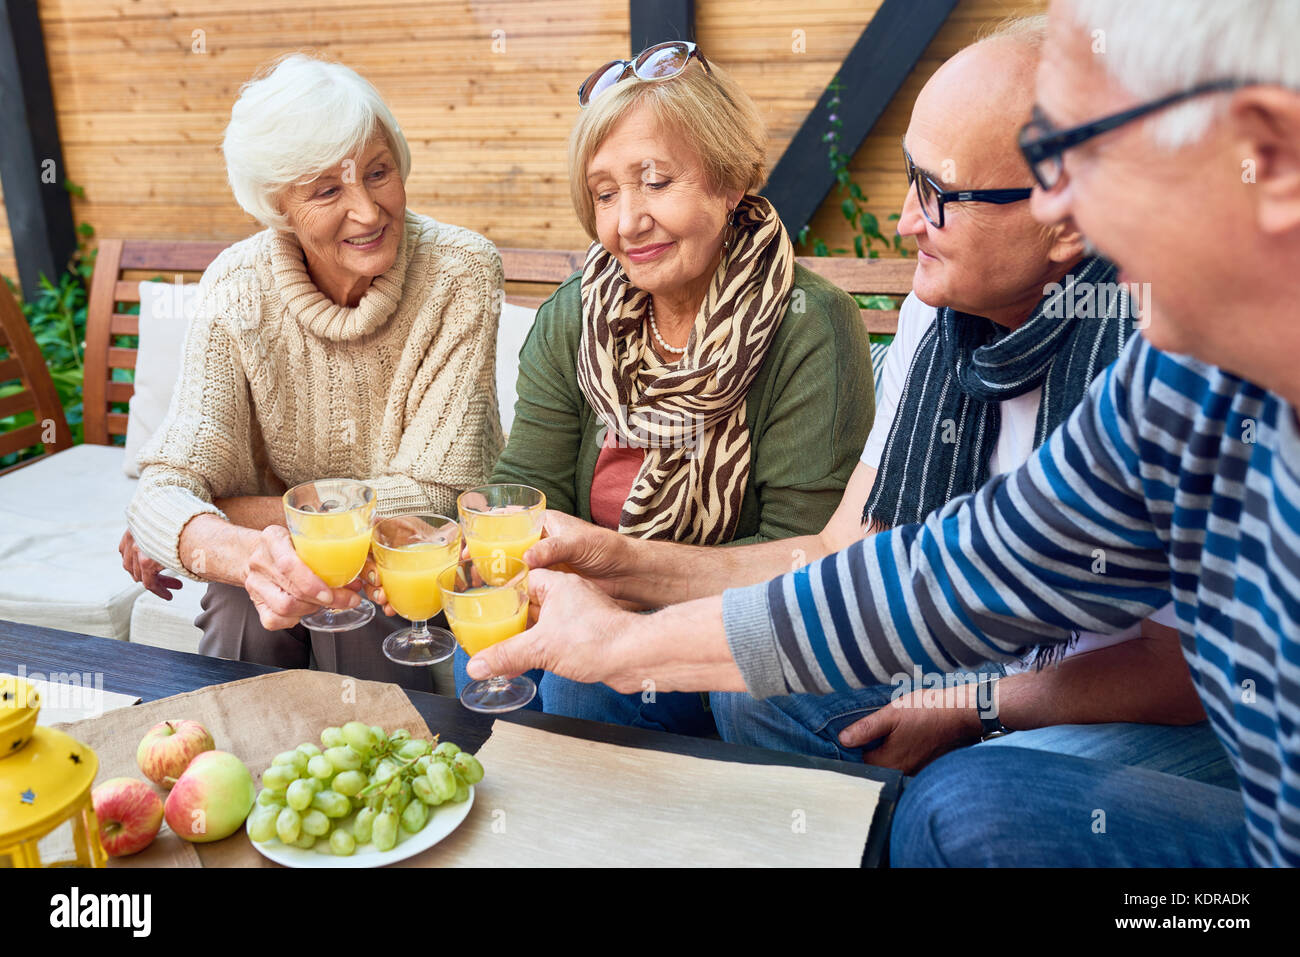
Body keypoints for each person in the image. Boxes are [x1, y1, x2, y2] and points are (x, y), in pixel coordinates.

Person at [466, 0, 1300, 867]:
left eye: (1098, 160)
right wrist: (620, 625)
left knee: (966, 809)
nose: (1070, 211)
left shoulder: (1166, 348)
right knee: (767, 703)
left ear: (1267, 155)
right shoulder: (1183, 379)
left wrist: (975, 707)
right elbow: (954, 572)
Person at [363, 42, 871, 727]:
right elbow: (526, 487)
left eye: (656, 181)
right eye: (605, 194)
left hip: (722, 639)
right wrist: (469, 548)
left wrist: (619, 590)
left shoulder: (811, 325)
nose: (626, 222)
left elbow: (800, 559)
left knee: (585, 686)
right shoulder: (575, 314)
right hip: (583, 597)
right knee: (483, 646)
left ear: (728, 182)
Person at [119, 53, 505, 692]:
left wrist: (223, 512)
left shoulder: (459, 272)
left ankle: (388, 781)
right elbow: (163, 490)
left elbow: (434, 495)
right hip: (311, 556)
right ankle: (241, 778)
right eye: (327, 191)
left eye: (378, 173)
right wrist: (229, 544)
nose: (368, 210)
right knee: (248, 600)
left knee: (366, 595)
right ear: (278, 206)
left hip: (413, 564)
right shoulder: (237, 285)